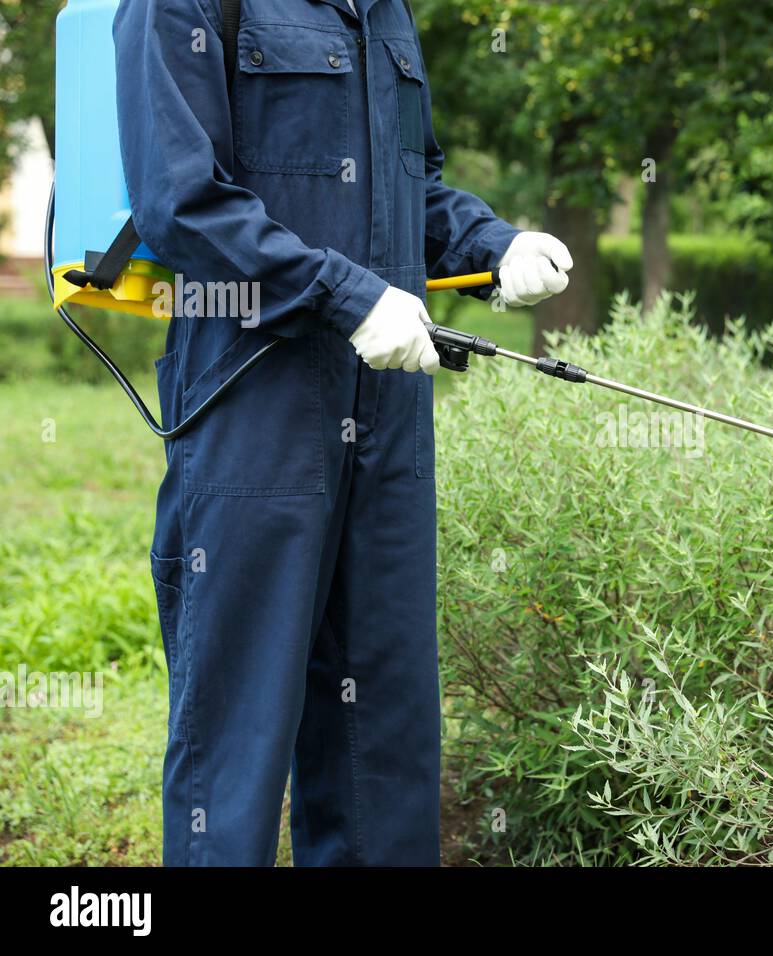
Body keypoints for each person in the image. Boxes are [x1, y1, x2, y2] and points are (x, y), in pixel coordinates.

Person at [115, 0, 571, 866]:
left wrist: (492, 242)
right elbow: (180, 203)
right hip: (253, 398)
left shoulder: (385, 9)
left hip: (390, 410)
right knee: (235, 740)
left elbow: (411, 186)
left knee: (384, 737)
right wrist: (343, 295)